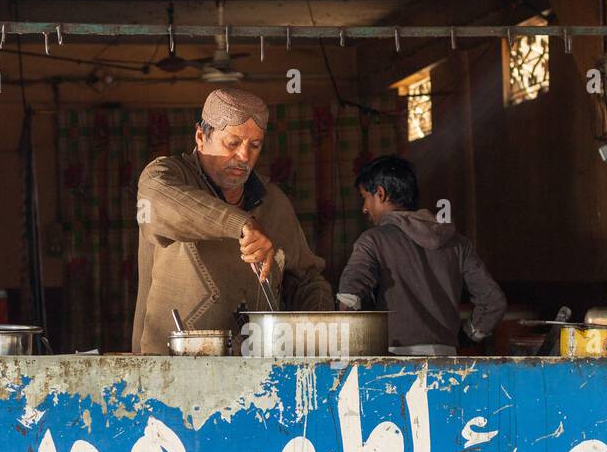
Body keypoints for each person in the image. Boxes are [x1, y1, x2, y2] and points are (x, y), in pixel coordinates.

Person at [130, 88, 334, 354]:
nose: (243, 157)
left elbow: (306, 279)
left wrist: (322, 328)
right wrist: (241, 224)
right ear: (201, 137)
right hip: (170, 373)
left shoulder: (273, 201)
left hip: (258, 374)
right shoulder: (165, 177)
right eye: (233, 143)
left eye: (255, 145)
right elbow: (158, 198)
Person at [337, 155, 507, 355]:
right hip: (447, 358)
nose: (364, 208)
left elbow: (349, 298)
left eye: (365, 197)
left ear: (380, 194)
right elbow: (493, 301)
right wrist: (467, 335)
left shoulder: (372, 240)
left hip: (393, 361)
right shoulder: (458, 243)